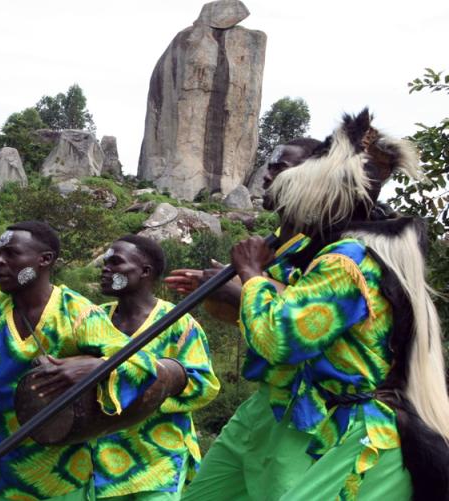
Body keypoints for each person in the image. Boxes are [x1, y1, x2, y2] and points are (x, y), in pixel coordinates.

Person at [184, 110, 449, 500]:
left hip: (347, 423)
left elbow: (280, 338)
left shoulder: (349, 260)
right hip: (288, 407)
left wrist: (252, 274)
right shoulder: (324, 252)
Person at [0, 221, 159, 501]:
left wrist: (96, 367)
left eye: (12, 254)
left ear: (45, 260)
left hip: (60, 476)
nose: (0, 261)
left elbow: (141, 365)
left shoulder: (77, 313)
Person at [93, 235, 219, 499]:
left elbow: (203, 385)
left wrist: (154, 387)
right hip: (104, 460)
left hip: (159, 457)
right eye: (105, 262)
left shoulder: (177, 322)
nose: (106, 269)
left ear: (145, 272)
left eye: (116, 262)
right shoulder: (95, 320)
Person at [164, 137, 321, 323]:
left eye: (279, 169)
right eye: (269, 167)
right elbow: (273, 289)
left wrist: (232, 290)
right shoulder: (279, 238)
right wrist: (220, 278)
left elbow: (306, 321)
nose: (267, 176)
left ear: (314, 177)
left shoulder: (330, 245)